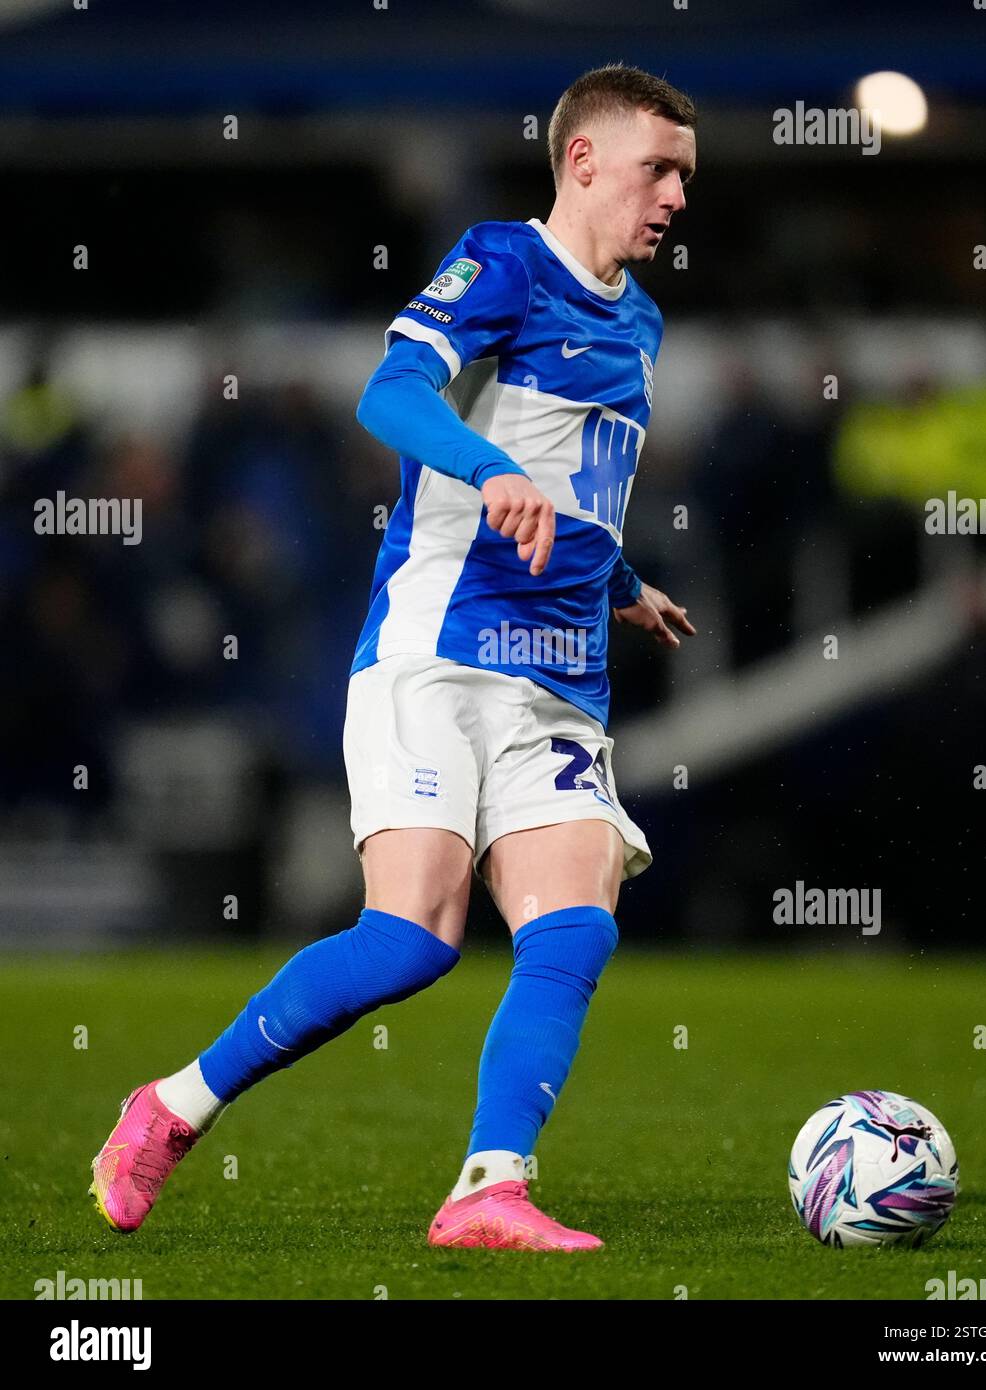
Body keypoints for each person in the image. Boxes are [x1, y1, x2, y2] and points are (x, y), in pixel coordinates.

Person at [90, 63, 697, 1253]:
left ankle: (489, 1184)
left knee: (574, 924)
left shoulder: (642, 319)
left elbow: (580, 480)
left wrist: (625, 582)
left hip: (561, 676)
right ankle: (169, 1106)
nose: (676, 195)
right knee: (413, 936)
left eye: (685, 175)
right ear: (582, 161)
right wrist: (486, 469)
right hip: (441, 651)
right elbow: (391, 390)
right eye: (657, 169)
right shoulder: (503, 262)